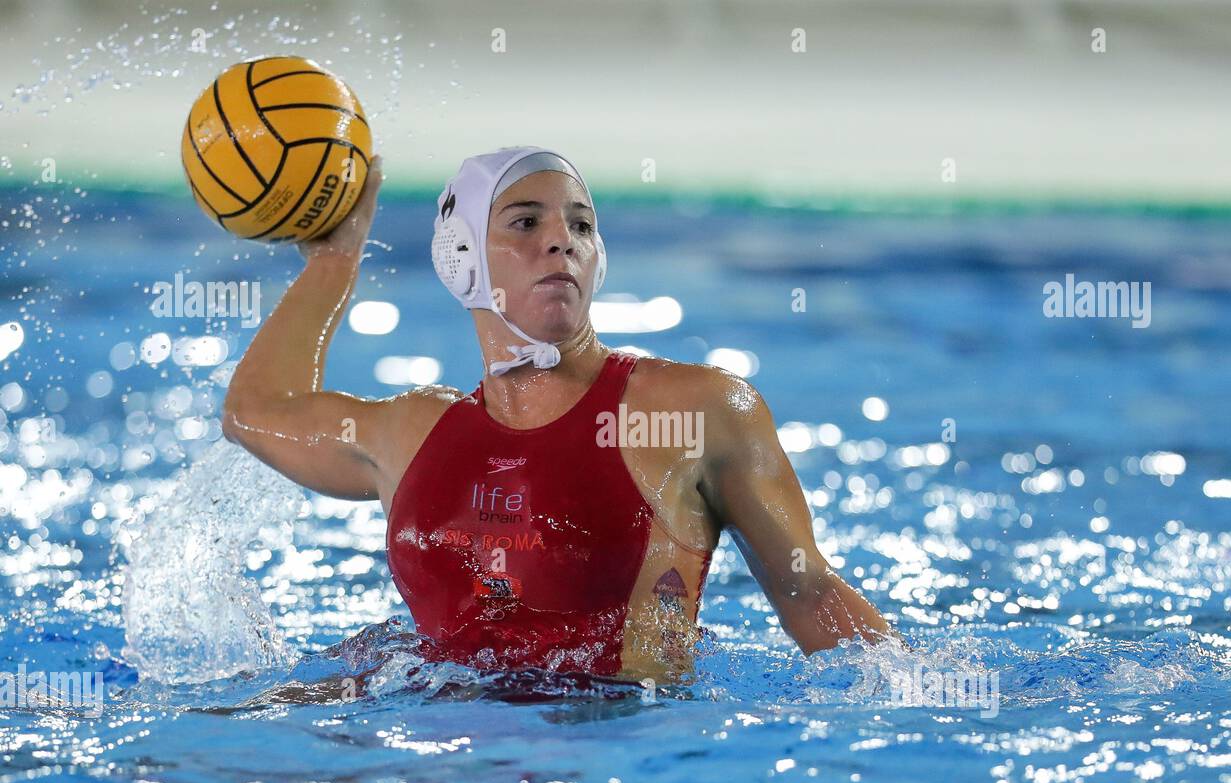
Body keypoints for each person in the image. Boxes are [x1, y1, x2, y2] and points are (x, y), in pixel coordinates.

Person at [222, 146, 897, 683]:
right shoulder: (410, 434)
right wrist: (335, 261)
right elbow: (255, 411)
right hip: (432, 745)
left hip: (617, 748)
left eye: (580, 225)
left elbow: (807, 594)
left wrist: (927, 693)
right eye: (525, 222)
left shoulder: (695, 410)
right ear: (459, 259)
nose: (561, 242)